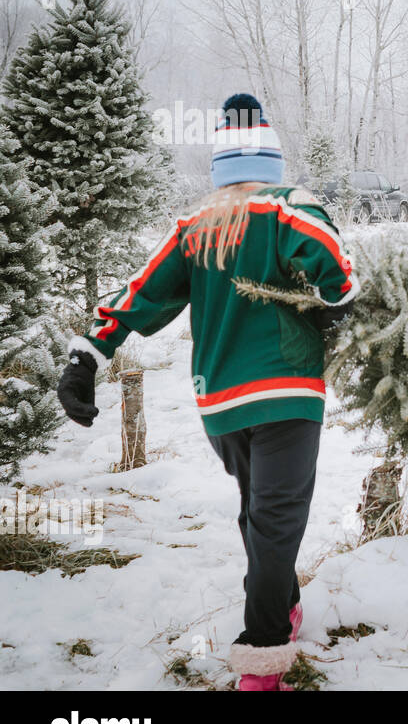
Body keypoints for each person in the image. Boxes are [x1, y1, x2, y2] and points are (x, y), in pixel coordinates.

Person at [56, 93, 358, 690]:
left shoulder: (197, 225)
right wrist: (337, 309)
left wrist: (85, 358)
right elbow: (338, 273)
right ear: (271, 159)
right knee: (274, 521)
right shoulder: (288, 207)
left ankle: (284, 604)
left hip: (220, 405)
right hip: (287, 393)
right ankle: (264, 656)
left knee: (259, 515)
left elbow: (142, 294)